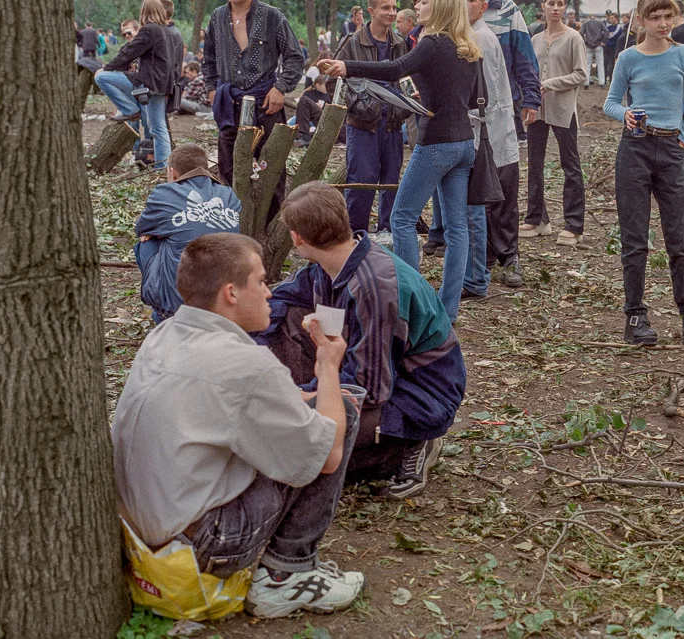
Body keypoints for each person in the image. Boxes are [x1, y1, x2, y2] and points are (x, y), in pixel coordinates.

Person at [113, 233, 363, 618]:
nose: (268, 292)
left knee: (307, 414)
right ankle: (286, 574)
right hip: (205, 544)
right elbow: (326, 455)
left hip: (143, 533)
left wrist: (299, 399)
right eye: (261, 281)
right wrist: (329, 366)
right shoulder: (248, 366)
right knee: (341, 411)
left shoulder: (164, 335)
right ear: (231, 292)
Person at [257, 182, 465, 499]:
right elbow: (275, 301)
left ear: (297, 238)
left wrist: (306, 398)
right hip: (369, 369)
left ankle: (410, 443)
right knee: (279, 321)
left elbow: (371, 387)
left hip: (417, 394)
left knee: (307, 453)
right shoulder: (329, 264)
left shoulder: (374, 288)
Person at [319, 0, 481, 320]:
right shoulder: (467, 46)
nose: (416, 7)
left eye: (423, 3)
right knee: (457, 228)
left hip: (437, 143)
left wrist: (348, 67)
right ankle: (447, 310)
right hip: (465, 143)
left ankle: (412, 303)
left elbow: (394, 70)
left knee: (401, 218)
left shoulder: (433, 43)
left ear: (439, 10)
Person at [604, 0, 684, 347]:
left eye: (668, 17)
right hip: (635, 149)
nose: (663, 24)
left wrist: (683, 140)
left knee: (678, 236)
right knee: (634, 238)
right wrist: (626, 114)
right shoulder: (628, 58)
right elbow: (610, 103)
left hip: (671, 148)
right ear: (641, 21)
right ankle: (635, 315)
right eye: (655, 18)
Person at [201, 0, 304, 209]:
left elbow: (294, 56)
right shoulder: (217, 17)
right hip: (230, 102)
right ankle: (234, 222)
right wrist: (213, 89)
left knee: (271, 166)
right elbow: (209, 60)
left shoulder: (272, 17)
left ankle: (268, 226)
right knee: (229, 166)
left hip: (265, 102)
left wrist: (280, 88)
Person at [459, 0, 521, 293]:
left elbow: (487, 93)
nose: (465, 4)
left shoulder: (482, 36)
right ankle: (485, 256)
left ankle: (510, 257)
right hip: (476, 132)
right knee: (480, 198)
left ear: (483, 7)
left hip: (491, 129)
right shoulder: (461, 35)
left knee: (502, 195)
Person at [135, 144, 242, 322]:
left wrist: (163, 231)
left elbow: (141, 229)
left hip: (183, 303)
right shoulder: (229, 196)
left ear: (172, 172)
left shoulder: (164, 194)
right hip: (226, 298)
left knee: (146, 243)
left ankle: (164, 311)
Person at [335, 0, 409, 238]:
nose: (391, 13)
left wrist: (404, 106)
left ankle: (388, 232)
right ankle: (355, 234)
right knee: (361, 181)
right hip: (363, 123)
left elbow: (406, 77)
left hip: (393, 121)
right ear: (371, 11)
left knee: (391, 180)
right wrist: (358, 103)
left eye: (394, 8)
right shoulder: (352, 42)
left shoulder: (400, 43)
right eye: (385, 8)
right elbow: (336, 79)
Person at [521, 0, 587, 248]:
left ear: (565, 8)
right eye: (552, 4)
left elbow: (581, 74)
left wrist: (550, 83)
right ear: (543, 6)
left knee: (570, 165)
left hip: (563, 109)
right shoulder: (535, 38)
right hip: (538, 110)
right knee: (534, 163)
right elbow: (528, 70)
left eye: (560, 4)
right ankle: (537, 219)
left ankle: (574, 225)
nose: (556, 8)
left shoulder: (573, 38)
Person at [461, 0, 541, 145]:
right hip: (459, 104)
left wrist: (531, 98)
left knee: (501, 168)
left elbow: (524, 56)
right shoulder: (448, 7)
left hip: (503, 102)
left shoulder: (507, 9)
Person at [96, 0, 177, 171]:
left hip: (148, 81)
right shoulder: (167, 31)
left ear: (144, 12)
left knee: (101, 78)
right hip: (163, 83)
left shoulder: (149, 30)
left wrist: (107, 67)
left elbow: (129, 53)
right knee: (158, 127)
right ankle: (163, 167)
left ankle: (130, 110)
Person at [295, 68, 331, 148]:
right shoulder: (309, 94)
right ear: (318, 85)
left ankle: (304, 136)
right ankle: (303, 135)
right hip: (312, 116)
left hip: (323, 116)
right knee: (304, 101)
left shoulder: (327, 95)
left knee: (304, 100)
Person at [579, 13, 608, 88]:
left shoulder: (585, 23)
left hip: (588, 45)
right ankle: (602, 82)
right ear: (595, 17)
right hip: (598, 45)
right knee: (600, 64)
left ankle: (586, 83)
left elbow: (581, 33)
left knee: (587, 64)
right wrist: (603, 41)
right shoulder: (600, 23)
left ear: (589, 17)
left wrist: (585, 42)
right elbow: (606, 32)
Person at [602, 10, 622, 79]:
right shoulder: (609, 27)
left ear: (616, 19)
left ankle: (611, 78)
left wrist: (608, 35)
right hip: (607, 47)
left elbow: (612, 35)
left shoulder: (619, 27)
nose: (610, 19)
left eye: (612, 18)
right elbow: (604, 34)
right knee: (605, 63)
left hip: (614, 47)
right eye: (610, 18)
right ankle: (604, 78)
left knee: (612, 64)